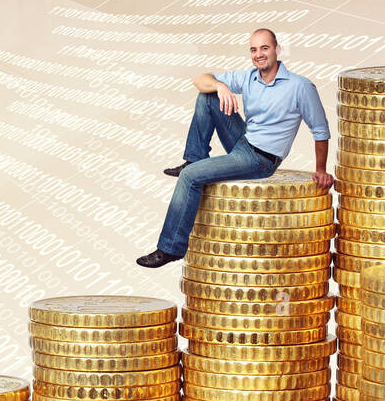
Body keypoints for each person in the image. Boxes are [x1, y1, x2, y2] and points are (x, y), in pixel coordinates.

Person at [136, 28, 333, 268]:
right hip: (243, 140)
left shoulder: (300, 86)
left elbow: (320, 130)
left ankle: (170, 248)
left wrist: (321, 169)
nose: (259, 54)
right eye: (253, 49)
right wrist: (220, 86)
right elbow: (200, 79)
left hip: (260, 159)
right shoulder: (249, 77)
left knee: (189, 178)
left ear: (277, 50)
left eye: (264, 48)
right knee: (208, 96)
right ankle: (194, 158)